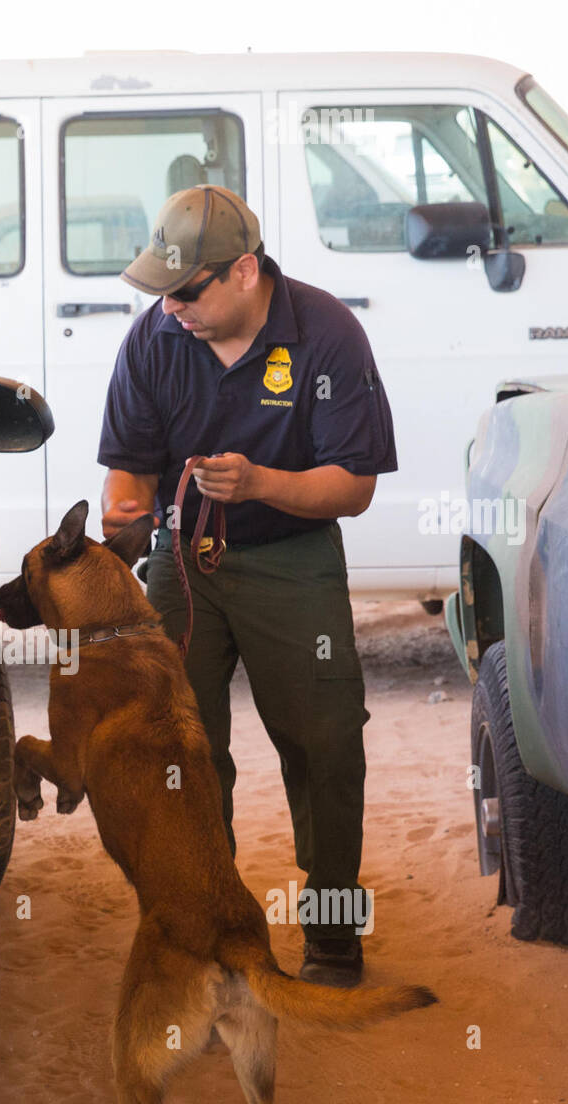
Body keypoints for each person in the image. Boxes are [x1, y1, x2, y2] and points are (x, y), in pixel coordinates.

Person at [98, 185, 397, 986]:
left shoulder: (324, 333)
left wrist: (262, 482)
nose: (171, 309)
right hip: (181, 558)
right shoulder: (153, 341)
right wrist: (125, 513)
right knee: (178, 750)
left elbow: (355, 485)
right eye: (161, 292)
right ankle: (211, 928)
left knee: (326, 742)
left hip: (292, 556)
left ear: (243, 271)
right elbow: (126, 468)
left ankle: (332, 931)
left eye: (187, 291)